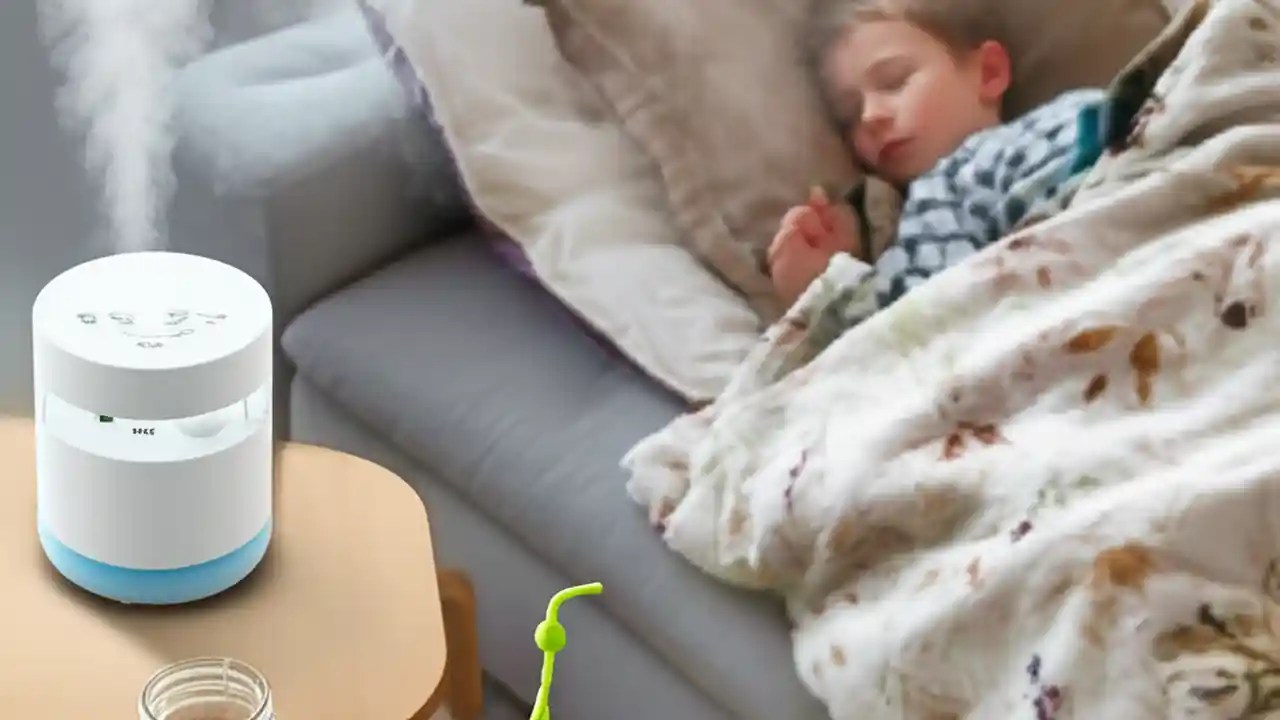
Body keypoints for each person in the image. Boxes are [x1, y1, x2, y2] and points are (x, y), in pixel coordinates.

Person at [768, 0, 1106, 308]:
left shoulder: (1066, 116)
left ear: (988, 72)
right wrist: (827, 279)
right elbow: (917, 324)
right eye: (849, 115)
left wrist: (825, 297)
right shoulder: (927, 209)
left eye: (894, 81)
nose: (870, 116)